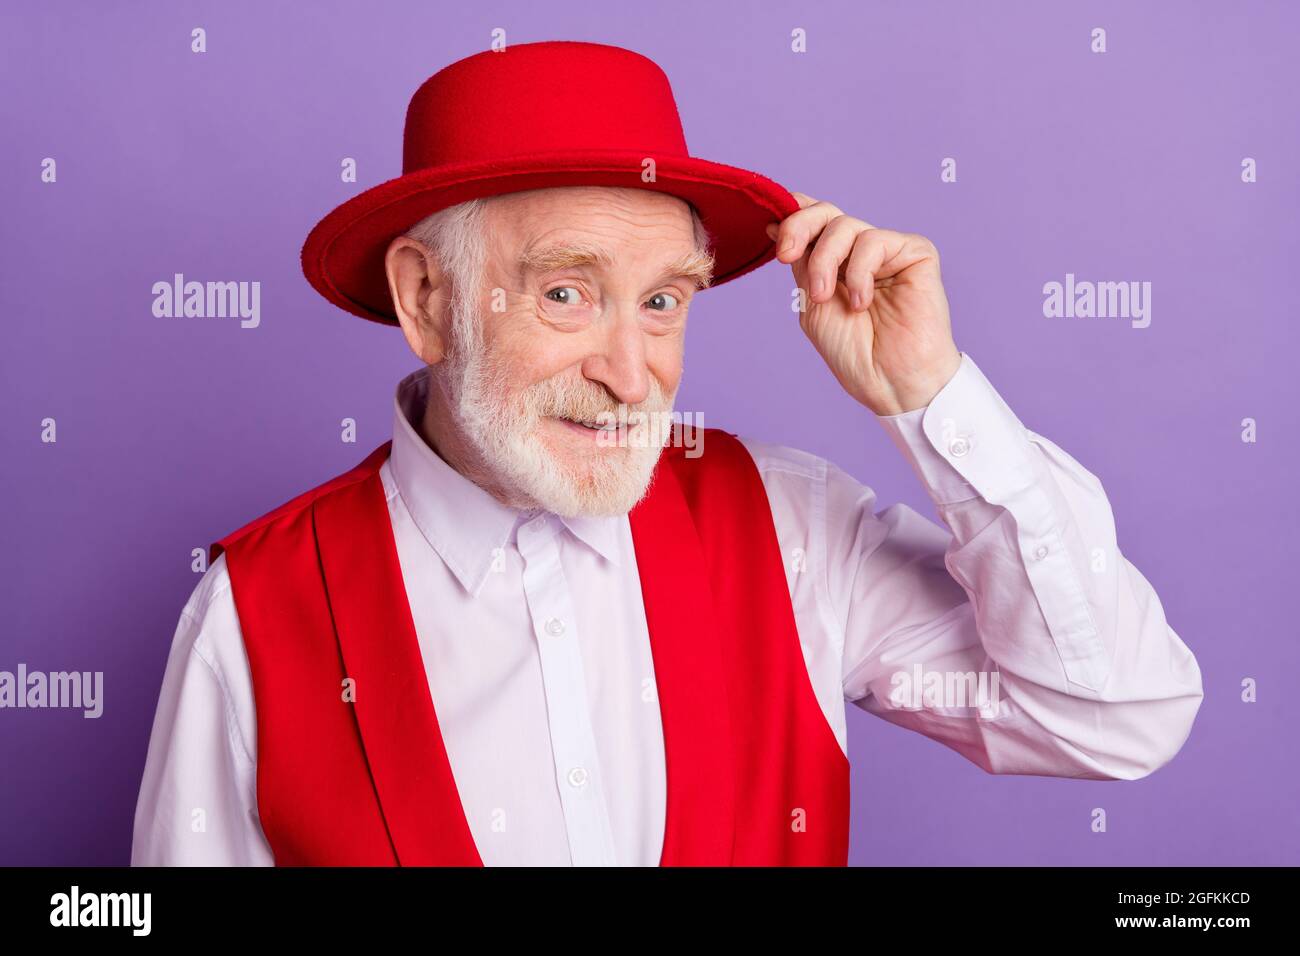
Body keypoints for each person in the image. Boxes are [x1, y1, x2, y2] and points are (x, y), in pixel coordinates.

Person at [131, 40, 1203, 867]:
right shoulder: (255, 610)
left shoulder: (787, 527)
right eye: (565, 292)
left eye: (660, 301)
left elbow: (1115, 717)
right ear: (427, 298)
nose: (633, 373)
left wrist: (928, 397)